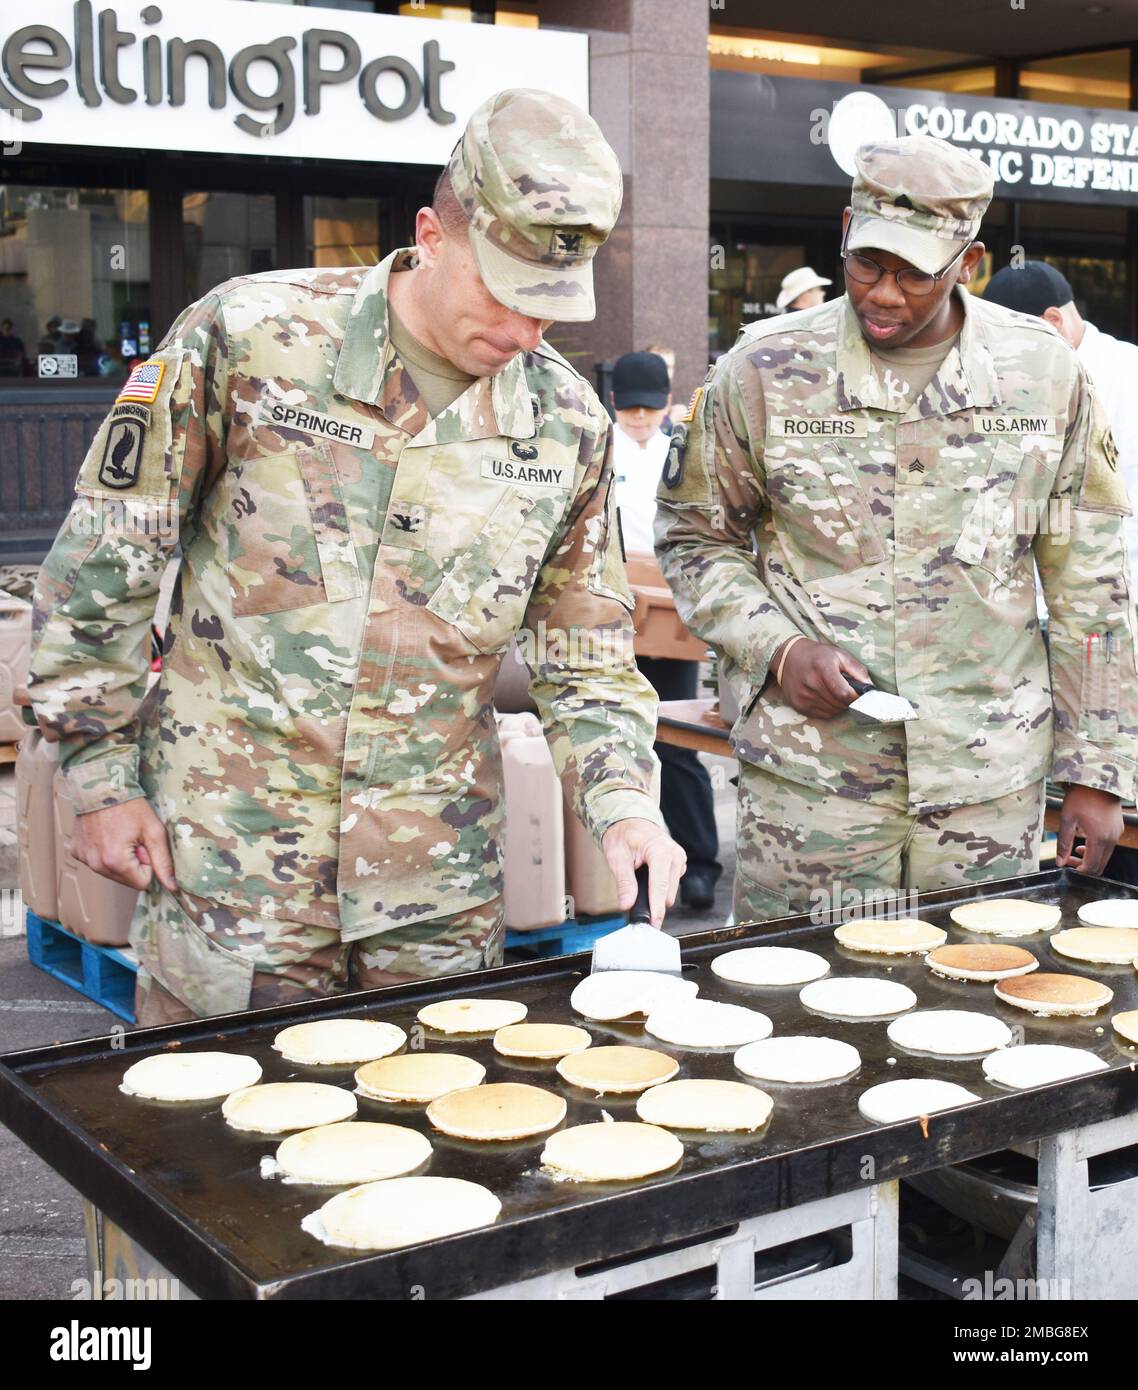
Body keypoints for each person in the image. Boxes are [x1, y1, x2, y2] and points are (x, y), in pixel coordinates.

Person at [27, 88, 686, 1025]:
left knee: (450, 1145)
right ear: (432, 233)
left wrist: (623, 804)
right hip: (235, 873)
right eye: (505, 293)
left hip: (436, 898)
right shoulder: (252, 338)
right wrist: (95, 776)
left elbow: (585, 654)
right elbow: (111, 554)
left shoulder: (566, 422)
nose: (525, 335)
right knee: (217, 1154)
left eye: (552, 311)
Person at [656, 134, 1137, 924]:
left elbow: (1092, 583)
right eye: (867, 263)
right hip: (814, 785)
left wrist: (1098, 772)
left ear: (969, 262)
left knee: (980, 1006)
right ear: (846, 227)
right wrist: (779, 648)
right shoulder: (763, 372)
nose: (884, 293)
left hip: (986, 786)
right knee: (792, 1018)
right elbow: (693, 536)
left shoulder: (1045, 374)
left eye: (916, 273)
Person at [611, 351, 722, 909]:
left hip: (669, 617)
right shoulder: (598, 447)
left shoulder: (680, 448)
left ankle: (699, 861)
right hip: (609, 615)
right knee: (616, 743)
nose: (638, 419)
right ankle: (624, 873)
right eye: (629, 409)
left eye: (648, 410)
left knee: (675, 741)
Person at [983, 260, 1138, 585]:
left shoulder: (1129, 376)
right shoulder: (1023, 379)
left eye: (1010, 343)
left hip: (1119, 593)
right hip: (1033, 597)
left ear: (1053, 322)